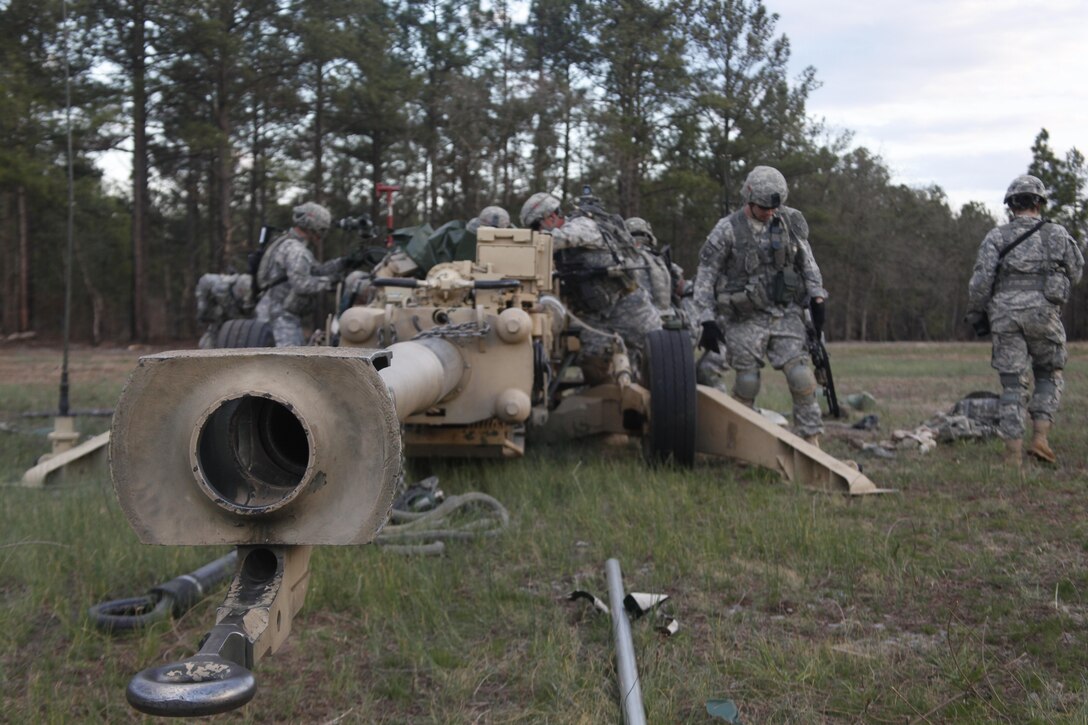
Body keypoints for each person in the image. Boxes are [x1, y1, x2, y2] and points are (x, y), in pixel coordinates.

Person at [692, 165, 828, 444]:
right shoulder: (727, 229)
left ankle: (810, 440)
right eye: (764, 208)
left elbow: (808, 262)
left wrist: (817, 298)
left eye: (773, 208)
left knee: (802, 377)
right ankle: (740, 443)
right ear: (749, 198)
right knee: (747, 382)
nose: (769, 213)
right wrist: (706, 319)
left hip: (785, 313)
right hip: (744, 318)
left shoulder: (790, 222)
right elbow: (706, 275)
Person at [966, 174, 1083, 466]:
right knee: (1048, 373)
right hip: (1044, 315)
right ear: (1039, 204)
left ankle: (1012, 456)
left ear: (1011, 205)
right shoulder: (1057, 234)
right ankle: (1040, 439)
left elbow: (980, 284)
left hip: (1005, 317)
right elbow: (1077, 272)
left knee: (1013, 385)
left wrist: (977, 312)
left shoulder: (997, 237)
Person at [521, 191, 662, 378]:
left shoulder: (582, 225)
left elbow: (562, 238)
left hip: (627, 303)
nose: (536, 232)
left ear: (551, 217)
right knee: (593, 367)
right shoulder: (551, 250)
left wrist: (522, 243)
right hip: (592, 315)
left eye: (536, 226)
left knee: (659, 353)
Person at [255, 201, 347, 346]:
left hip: (275, 314)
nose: (322, 235)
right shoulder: (296, 250)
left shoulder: (289, 243)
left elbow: (315, 271)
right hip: (279, 319)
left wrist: (343, 263)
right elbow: (301, 284)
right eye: (322, 229)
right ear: (313, 226)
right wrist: (330, 281)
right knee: (291, 359)